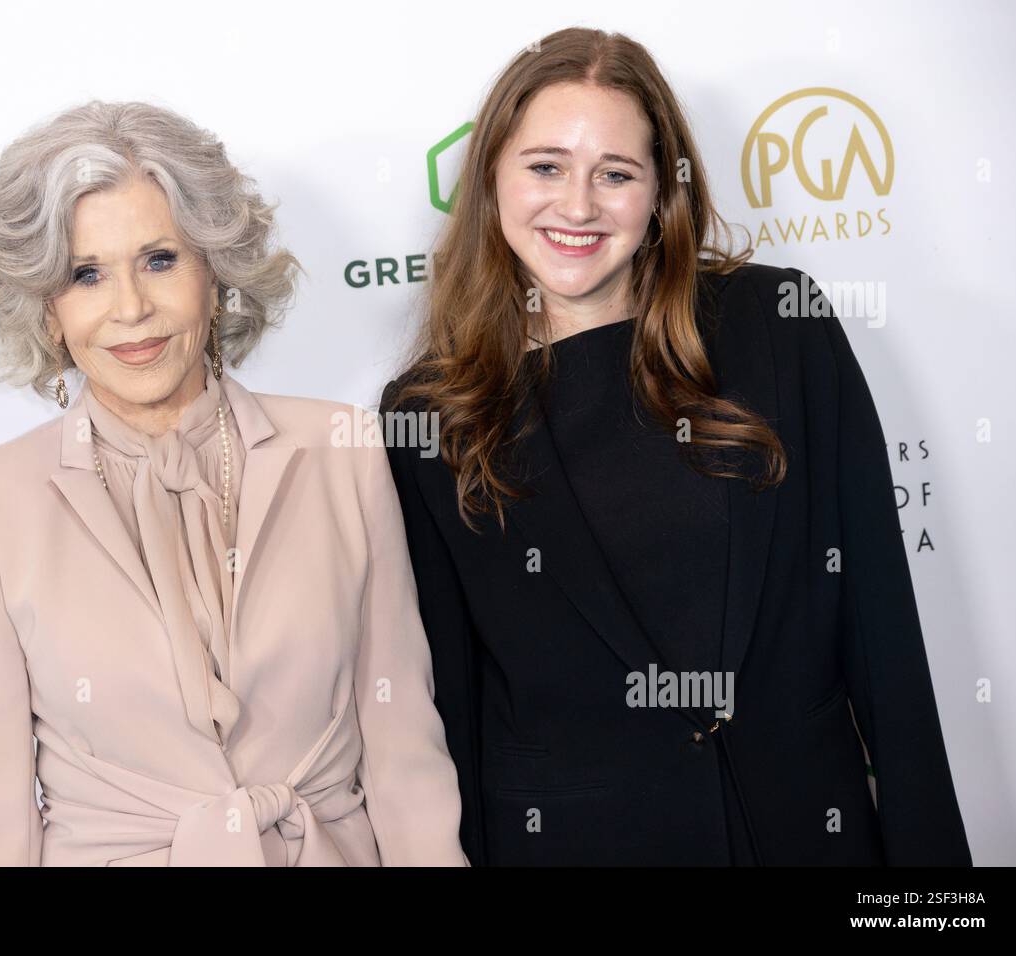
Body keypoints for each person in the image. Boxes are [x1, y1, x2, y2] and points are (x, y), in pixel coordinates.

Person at [380, 29, 970, 865]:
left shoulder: (776, 326)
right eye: (545, 166)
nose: (577, 206)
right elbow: (456, 702)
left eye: (615, 174)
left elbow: (881, 628)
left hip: (807, 830)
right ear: (491, 181)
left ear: (662, 192)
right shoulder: (428, 415)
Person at [0, 100, 466, 866]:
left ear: (215, 273)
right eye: (86, 275)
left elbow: (403, 749)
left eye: (160, 259)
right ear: (48, 313)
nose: (131, 309)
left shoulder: (341, 447)